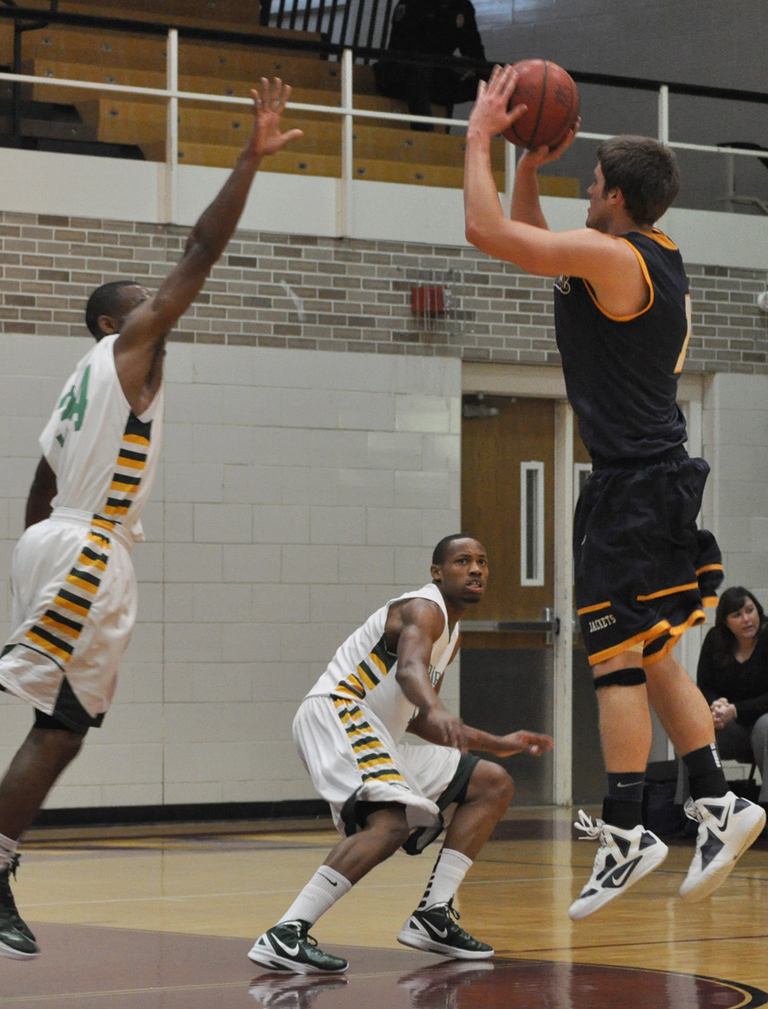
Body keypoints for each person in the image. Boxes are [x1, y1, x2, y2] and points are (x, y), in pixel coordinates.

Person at [0, 79, 303, 961]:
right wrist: (249, 158)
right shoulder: (125, 349)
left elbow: (36, 488)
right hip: (87, 546)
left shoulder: (76, 387)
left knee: (63, 723)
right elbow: (202, 251)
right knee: (39, 706)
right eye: (141, 297)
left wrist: (40, 554)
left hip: (59, 538)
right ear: (112, 318)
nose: (157, 306)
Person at [462, 64, 765, 921]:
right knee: (658, 649)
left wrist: (483, 135)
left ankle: (629, 827)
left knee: (614, 662)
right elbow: (538, 253)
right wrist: (530, 170)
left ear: (617, 199)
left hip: (636, 487)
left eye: (590, 182)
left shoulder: (615, 256)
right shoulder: (646, 255)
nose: (582, 191)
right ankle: (716, 800)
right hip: (645, 482)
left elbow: (489, 235)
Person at [248, 534, 553, 974]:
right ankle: (286, 932)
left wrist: (499, 742)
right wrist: (435, 705)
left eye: (482, 562)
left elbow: (418, 720)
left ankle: (433, 915)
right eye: (462, 561)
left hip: (380, 732)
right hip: (340, 711)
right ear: (437, 572)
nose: (476, 569)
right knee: (389, 822)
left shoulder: (453, 633)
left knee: (491, 782)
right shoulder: (423, 609)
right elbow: (411, 672)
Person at [374, 0, 488, 131]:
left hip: (438, 74)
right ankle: (425, 134)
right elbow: (404, 45)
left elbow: (474, 50)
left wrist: (471, 67)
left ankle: (494, 133)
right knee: (420, 70)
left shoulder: (462, 7)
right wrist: (449, 63)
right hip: (403, 73)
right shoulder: (413, 0)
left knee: (495, 77)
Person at [696, 586, 768, 812]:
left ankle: (766, 806)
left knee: (766, 725)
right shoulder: (716, 640)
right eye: (737, 615)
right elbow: (705, 686)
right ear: (725, 622)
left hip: (762, 725)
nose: (747, 619)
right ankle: (694, 807)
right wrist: (716, 705)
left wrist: (735, 710)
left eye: (750, 610)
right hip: (732, 728)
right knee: (692, 728)